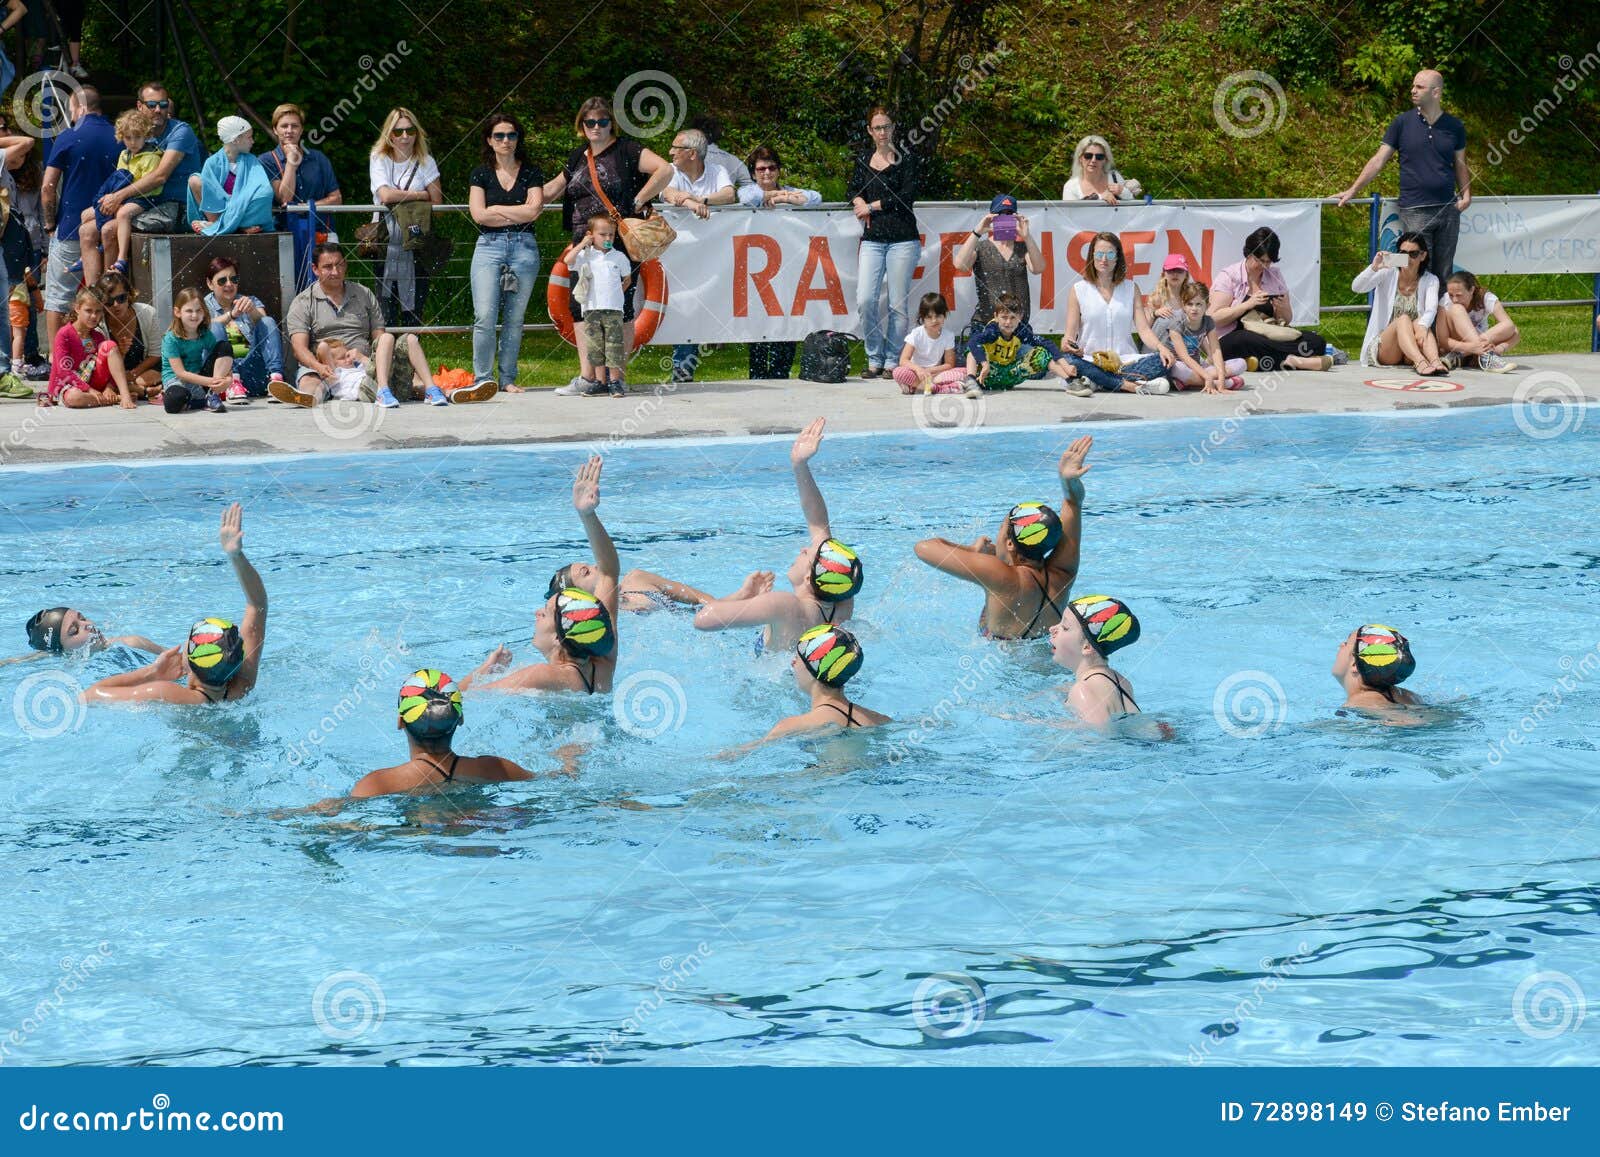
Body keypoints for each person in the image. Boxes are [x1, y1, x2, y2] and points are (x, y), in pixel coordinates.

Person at [693, 419, 864, 653]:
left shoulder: (784, 605)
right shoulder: (841, 604)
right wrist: (800, 465)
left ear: (807, 578)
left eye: (809, 554)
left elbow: (703, 620)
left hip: (766, 688)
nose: (804, 548)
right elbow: (819, 524)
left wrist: (743, 596)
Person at [544, 96, 673, 391]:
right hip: (584, 244)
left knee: (621, 308)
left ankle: (617, 378)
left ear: (611, 124)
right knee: (582, 307)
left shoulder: (627, 150)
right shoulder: (578, 156)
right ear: (582, 125)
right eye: (590, 122)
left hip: (619, 244)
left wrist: (638, 201)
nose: (596, 127)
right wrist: (529, 197)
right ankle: (590, 378)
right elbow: (555, 187)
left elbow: (665, 169)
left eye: (602, 122)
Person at [464, 457, 621, 695]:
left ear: (559, 638)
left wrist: (484, 670)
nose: (536, 613)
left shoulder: (541, 675)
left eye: (545, 613)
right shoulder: (602, 668)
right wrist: (587, 515)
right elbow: (609, 572)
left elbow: (456, 700)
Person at [83, 504, 266, 705]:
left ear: (190, 664)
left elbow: (89, 695)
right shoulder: (243, 685)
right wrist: (236, 556)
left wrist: (152, 673)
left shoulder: (173, 695)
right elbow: (257, 605)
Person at [914, 436, 1091, 641]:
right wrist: (1068, 482)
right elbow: (1073, 505)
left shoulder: (999, 574)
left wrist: (971, 551)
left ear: (1009, 543)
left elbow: (923, 548)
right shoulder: (1063, 573)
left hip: (1003, 661)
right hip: (1048, 655)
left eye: (1001, 527)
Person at [278, 243, 486, 407]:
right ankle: (307, 398)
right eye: (328, 267)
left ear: (346, 264)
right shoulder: (304, 301)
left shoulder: (363, 294)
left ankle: (449, 394)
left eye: (339, 265)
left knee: (409, 375)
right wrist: (318, 366)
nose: (335, 271)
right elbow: (299, 348)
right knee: (310, 383)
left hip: (365, 364)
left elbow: (380, 338)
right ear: (315, 269)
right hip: (325, 362)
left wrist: (379, 363)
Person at [341, 670, 580, 799]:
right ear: (461, 720)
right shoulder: (494, 768)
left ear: (401, 721)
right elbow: (558, 780)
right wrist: (569, 759)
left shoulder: (378, 784)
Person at [1336, 70, 1469, 281]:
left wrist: (1466, 194)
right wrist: (1353, 190)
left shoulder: (1455, 126)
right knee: (1418, 270)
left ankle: (1440, 315)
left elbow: (1460, 163)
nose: (1413, 91)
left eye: (1419, 87)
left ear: (1436, 92)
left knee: (1444, 272)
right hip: (1415, 209)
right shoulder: (1402, 123)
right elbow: (1378, 160)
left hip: (1448, 209)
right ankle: (1417, 314)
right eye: (1413, 86)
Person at [468, 111, 543, 393]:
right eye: (499, 135)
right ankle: (483, 379)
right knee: (485, 316)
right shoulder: (480, 173)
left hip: (524, 247)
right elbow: (478, 215)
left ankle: (508, 378)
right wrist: (516, 212)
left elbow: (534, 211)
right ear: (489, 140)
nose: (506, 140)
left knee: (515, 318)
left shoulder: (532, 171)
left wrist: (496, 209)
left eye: (511, 135)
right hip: (489, 247)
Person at [41, 85, 119, 353]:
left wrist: (50, 224)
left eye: (72, 110)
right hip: (111, 228)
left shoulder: (68, 136)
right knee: (108, 293)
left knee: (58, 297)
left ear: (81, 108)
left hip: (72, 226)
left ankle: (56, 357)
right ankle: (108, 352)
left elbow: (48, 186)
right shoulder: (119, 136)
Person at [848, 105, 919, 379]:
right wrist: (857, 201)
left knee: (897, 304)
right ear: (869, 130)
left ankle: (892, 360)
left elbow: (906, 196)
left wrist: (871, 206)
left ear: (893, 128)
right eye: (877, 127)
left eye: (886, 126)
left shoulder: (905, 158)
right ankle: (873, 356)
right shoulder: (863, 159)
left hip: (903, 239)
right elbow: (853, 187)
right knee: (866, 299)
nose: (882, 132)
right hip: (873, 240)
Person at [736, 626, 889, 752]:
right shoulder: (879, 720)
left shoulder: (791, 726)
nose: (792, 663)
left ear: (813, 669)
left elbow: (739, 755)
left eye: (798, 658)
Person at [83, 81, 203, 239]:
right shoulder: (139, 134)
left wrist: (118, 197)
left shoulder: (181, 132)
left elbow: (161, 176)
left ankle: (119, 263)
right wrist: (109, 198)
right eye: (152, 105)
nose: (158, 110)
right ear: (140, 106)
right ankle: (88, 263)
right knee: (86, 228)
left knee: (108, 230)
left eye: (163, 104)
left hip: (176, 209)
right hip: (146, 202)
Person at [662, 127, 735, 384]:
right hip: (680, 256)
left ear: (692, 153)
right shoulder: (671, 171)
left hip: (715, 255)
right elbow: (668, 193)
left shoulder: (716, 171)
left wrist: (700, 197)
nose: (670, 152)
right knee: (684, 309)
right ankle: (681, 373)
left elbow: (729, 194)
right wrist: (690, 203)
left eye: (675, 148)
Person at [1058, 233, 1173, 396]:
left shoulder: (1131, 288)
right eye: (1099, 254)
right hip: (1090, 360)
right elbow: (1069, 336)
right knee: (1068, 360)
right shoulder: (1078, 289)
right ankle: (1130, 385)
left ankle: (1098, 381)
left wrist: (1161, 348)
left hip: (1125, 361)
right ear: (1092, 256)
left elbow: (1144, 330)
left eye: (1110, 254)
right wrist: (1066, 344)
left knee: (1160, 361)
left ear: (1118, 257)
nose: (1104, 259)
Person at [741, 145, 821, 380]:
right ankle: (757, 374)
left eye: (772, 167)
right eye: (761, 169)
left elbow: (816, 198)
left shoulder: (789, 192)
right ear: (753, 173)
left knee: (787, 319)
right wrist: (774, 196)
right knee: (758, 321)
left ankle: (780, 373)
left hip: (789, 268)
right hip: (756, 269)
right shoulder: (749, 190)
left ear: (779, 170)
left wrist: (783, 195)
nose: (767, 173)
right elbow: (746, 198)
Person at [1208, 227, 1332, 373]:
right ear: (1249, 253)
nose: (1264, 266)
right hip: (1231, 337)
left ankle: (1258, 362)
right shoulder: (1229, 276)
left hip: (1267, 334)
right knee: (1245, 339)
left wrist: (1283, 307)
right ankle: (1294, 360)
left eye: (1269, 262)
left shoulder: (1274, 275)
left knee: (1316, 341)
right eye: (1260, 261)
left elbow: (1286, 320)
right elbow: (1213, 319)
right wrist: (1247, 304)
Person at [369, 107, 443, 329]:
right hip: (385, 240)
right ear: (389, 134)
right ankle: (387, 358)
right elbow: (385, 195)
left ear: (417, 132)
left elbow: (437, 201)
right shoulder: (379, 158)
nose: (404, 136)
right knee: (386, 304)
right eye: (398, 131)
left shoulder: (426, 161)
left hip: (417, 239)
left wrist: (400, 197)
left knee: (415, 306)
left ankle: (410, 357)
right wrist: (421, 195)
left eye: (410, 131)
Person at [73, 107, 158, 283]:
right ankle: (88, 259)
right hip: (121, 198)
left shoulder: (152, 156)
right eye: (128, 138)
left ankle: (114, 273)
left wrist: (118, 201)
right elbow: (117, 180)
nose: (133, 142)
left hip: (141, 200)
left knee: (110, 226)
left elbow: (148, 187)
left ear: (146, 135)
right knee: (84, 216)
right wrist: (108, 197)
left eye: (137, 137)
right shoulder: (124, 155)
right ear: (122, 137)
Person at [1351, 232, 1445, 374]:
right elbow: (1357, 288)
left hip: (1410, 348)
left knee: (1421, 321)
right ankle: (1421, 362)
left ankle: (1435, 362)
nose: (1408, 258)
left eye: (1413, 254)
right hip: (1385, 349)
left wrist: (1422, 327)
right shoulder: (1387, 272)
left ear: (1423, 256)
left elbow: (1431, 310)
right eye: (1403, 253)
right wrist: (1374, 267)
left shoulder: (1431, 280)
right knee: (1404, 319)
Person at [560, 213, 632, 398]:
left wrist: (615, 295)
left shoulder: (619, 257)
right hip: (591, 309)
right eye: (602, 235)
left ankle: (615, 381)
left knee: (614, 345)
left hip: (613, 309)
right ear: (591, 234)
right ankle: (601, 382)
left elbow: (627, 279)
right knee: (596, 346)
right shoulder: (586, 256)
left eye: (611, 235)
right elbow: (568, 261)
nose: (608, 238)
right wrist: (584, 243)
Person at [950, 193, 1045, 330]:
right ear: (992, 218)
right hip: (986, 323)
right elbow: (960, 265)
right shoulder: (981, 247)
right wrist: (977, 231)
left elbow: (1039, 268)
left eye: (1009, 214)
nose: (1005, 218)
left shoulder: (1022, 248)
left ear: (1016, 218)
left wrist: (1027, 236)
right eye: (1000, 214)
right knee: (974, 352)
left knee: (1040, 351)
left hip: (1016, 324)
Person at [1049, 594, 1142, 727]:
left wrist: (1034, 722)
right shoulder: (1121, 682)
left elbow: (1098, 739)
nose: (1052, 629)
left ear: (1087, 647)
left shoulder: (1082, 691)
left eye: (1065, 627)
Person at [961, 290, 1070, 396]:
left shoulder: (1021, 331)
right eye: (1004, 317)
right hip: (987, 375)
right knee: (972, 349)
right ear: (996, 317)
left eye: (1013, 318)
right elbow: (973, 341)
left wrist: (1066, 366)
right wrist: (984, 364)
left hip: (1010, 375)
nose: (1008, 322)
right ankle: (971, 382)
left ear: (1020, 317)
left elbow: (1047, 343)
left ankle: (1071, 381)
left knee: (1042, 353)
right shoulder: (993, 331)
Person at [204, 256, 285, 398]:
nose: (229, 284)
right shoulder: (201, 306)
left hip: (252, 372)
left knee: (268, 321)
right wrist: (231, 315)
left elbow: (265, 322)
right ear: (210, 284)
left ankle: (276, 380)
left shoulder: (249, 300)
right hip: (221, 377)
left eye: (233, 279)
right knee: (215, 326)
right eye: (222, 280)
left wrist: (251, 310)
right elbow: (202, 327)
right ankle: (232, 381)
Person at [45, 285, 135, 409]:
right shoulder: (64, 334)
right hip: (71, 385)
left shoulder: (98, 336)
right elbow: (63, 371)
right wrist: (89, 390)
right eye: (88, 311)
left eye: (98, 311)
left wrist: (109, 387)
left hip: (94, 383)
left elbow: (108, 368)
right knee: (74, 398)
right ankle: (112, 399)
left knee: (110, 346)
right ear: (77, 308)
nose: (94, 316)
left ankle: (125, 396)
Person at [186, 116, 273, 237]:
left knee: (265, 194)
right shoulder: (212, 163)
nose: (252, 141)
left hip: (244, 208)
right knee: (194, 180)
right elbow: (212, 198)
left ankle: (227, 225)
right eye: (249, 137)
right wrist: (233, 202)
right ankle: (218, 223)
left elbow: (262, 188)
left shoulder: (252, 160)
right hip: (223, 210)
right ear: (236, 140)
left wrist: (240, 200)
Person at [1155, 281, 1246, 392]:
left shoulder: (1208, 321)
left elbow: (1215, 351)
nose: (1194, 308)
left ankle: (1191, 382)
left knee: (1241, 363)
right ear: (1183, 306)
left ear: (1207, 306)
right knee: (1176, 368)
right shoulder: (1176, 323)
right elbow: (1184, 357)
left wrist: (1221, 379)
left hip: (1196, 368)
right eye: (1190, 304)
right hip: (1179, 366)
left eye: (1199, 304)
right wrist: (1207, 377)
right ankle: (1227, 383)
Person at [4, 607, 161, 667]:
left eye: (83, 618)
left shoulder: (130, 643)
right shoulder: (60, 659)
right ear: (61, 650)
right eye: (74, 631)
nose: (88, 625)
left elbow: (183, 660)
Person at [160, 286, 234, 413]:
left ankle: (211, 395)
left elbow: (220, 357)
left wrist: (228, 379)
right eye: (189, 311)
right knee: (174, 400)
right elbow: (180, 373)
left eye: (199, 310)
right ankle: (198, 400)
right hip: (177, 382)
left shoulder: (204, 334)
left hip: (199, 379)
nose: (194, 315)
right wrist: (212, 381)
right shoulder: (171, 339)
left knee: (225, 346)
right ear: (178, 312)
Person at [258, 103, 341, 210]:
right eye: (284, 126)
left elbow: (336, 199)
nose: (289, 130)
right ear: (275, 130)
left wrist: (306, 207)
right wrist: (291, 164)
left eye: (295, 126)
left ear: (301, 130)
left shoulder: (318, 158)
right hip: (282, 226)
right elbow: (285, 199)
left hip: (319, 225)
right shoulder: (265, 161)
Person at [96, 272, 163, 401]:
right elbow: (99, 364)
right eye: (109, 301)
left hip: (143, 370)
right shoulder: (98, 323)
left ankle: (131, 388)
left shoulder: (147, 313)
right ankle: (141, 391)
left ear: (129, 295)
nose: (116, 304)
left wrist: (132, 374)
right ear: (101, 303)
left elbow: (156, 354)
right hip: (111, 375)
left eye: (121, 298)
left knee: (142, 379)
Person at [1435, 270, 1518, 372]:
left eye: (1459, 295)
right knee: (1457, 308)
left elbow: (1508, 324)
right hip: (1458, 344)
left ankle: (1489, 354)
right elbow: (1443, 341)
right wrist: (1470, 347)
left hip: (1478, 344)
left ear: (1472, 290)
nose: (1454, 299)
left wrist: (1494, 348)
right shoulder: (1445, 301)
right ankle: (1485, 356)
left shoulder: (1486, 297)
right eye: (1451, 295)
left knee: (1514, 330)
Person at [1332, 624, 1423, 716]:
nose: (1341, 645)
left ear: (1355, 664)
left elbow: (1405, 721)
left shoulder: (1360, 703)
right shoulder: (1410, 697)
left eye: (1346, 643)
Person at [893, 292, 962, 394]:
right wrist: (919, 370)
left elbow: (949, 364)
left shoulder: (948, 335)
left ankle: (924, 387)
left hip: (935, 374)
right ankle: (937, 387)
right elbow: (903, 360)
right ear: (923, 318)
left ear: (945, 315)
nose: (934, 320)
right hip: (916, 373)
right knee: (898, 372)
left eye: (938, 316)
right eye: (929, 317)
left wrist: (929, 370)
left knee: (964, 372)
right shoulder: (916, 334)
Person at [1061, 136, 1142, 202]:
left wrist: (1123, 192)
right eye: (1088, 156)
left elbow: (1132, 208)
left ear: (1105, 160)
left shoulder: (1114, 177)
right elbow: (1070, 216)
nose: (1093, 160)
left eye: (1099, 157)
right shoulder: (1071, 186)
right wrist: (1100, 198)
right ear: (1080, 158)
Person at [692, 115, 753, 194]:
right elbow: (750, 185)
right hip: (724, 205)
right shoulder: (732, 159)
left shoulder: (687, 157)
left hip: (693, 204)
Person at [1145, 253, 1194, 321]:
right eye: (1170, 270)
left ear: (1186, 274)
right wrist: (1155, 313)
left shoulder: (1192, 297)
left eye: (1179, 270)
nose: (1175, 274)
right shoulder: (1157, 298)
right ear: (1164, 274)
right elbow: (1144, 327)